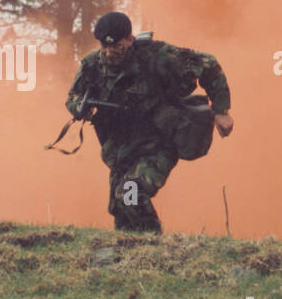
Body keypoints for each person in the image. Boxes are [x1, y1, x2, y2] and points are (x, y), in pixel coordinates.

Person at [65, 12, 233, 234]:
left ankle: (154, 247)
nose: (108, 52)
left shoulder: (156, 56)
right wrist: (81, 108)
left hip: (157, 144)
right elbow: (72, 98)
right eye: (104, 47)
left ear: (129, 39)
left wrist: (221, 111)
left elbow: (208, 64)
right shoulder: (91, 66)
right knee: (120, 209)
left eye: (115, 46)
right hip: (120, 150)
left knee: (130, 195)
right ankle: (129, 258)